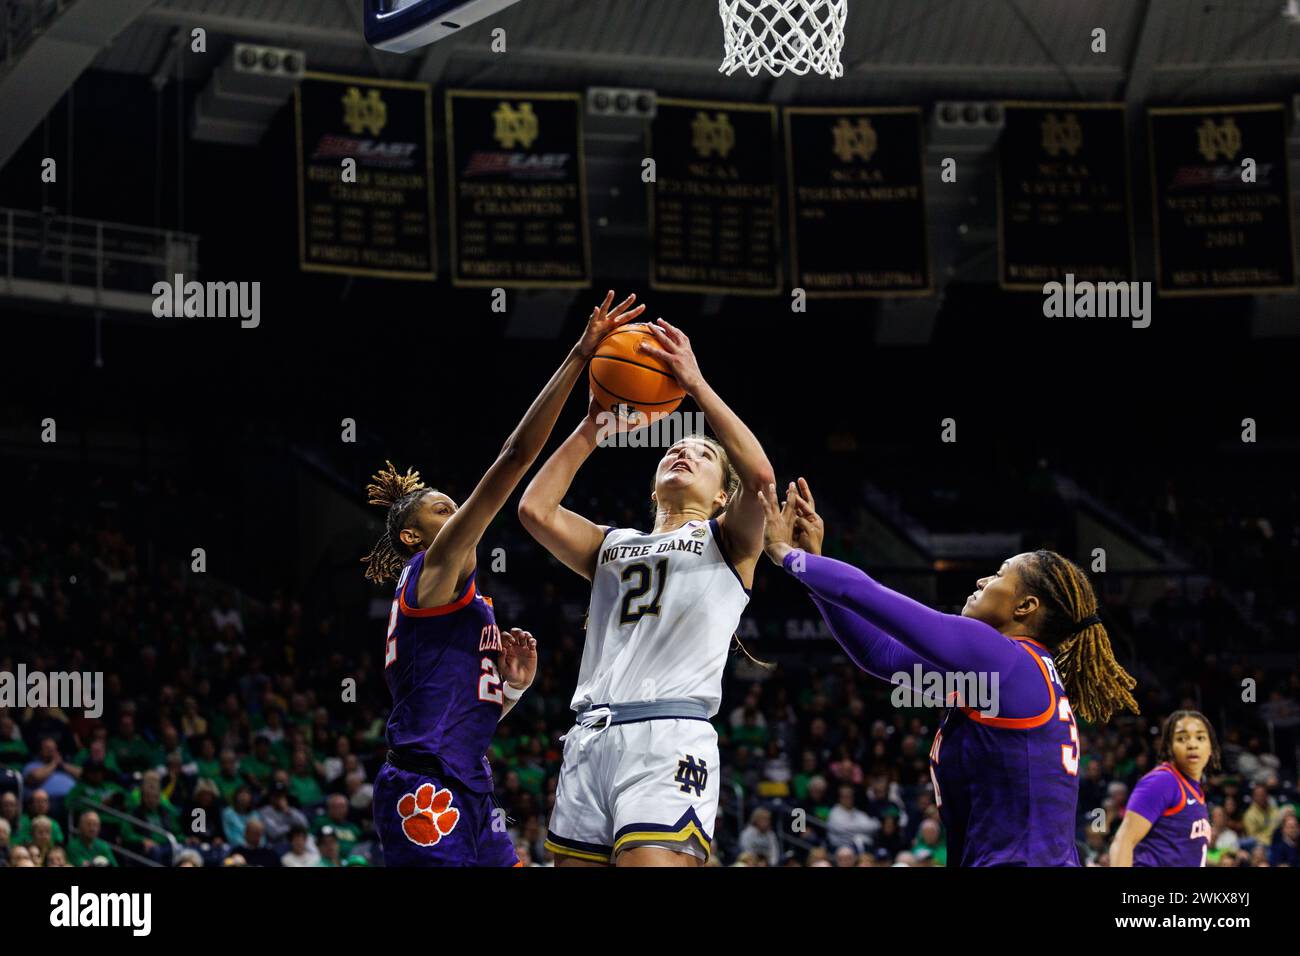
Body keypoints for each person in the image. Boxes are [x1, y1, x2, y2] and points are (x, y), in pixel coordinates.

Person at [368, 291, 645, 867]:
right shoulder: (430, 575)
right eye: (443, 511)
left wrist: (510, 690)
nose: (458, 515)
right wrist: (578, 358)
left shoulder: (460, 604)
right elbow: (516, 456)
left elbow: (457, 713)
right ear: (414, 538)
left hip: (470, 786)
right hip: (425, 788)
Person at [759, 478, 1140, 866]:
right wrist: (814, 568)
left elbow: (868, 594)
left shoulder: (1003, 659)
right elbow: (880, 653)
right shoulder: (1011, 673)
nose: (981, 581)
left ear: (1025, 606)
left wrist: (787, 556)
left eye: (998, 575)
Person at [519, 318, 774, 866]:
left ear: (723, 497)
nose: (684, 454)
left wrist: (696, 383)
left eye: (702, 456)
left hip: (669, 735)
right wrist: (591, 427)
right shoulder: (612, 544)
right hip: (589, 737)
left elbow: (760, 477)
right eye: (674, 450)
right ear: (651, 481)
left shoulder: (726, 540)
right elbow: (534, 510)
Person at [1110, 710, 1216, 866]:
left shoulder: (1195, 789)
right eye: (1182, 738)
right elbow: (1122, 842)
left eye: (1200, 738)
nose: (1192, 745)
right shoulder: (1162, 781)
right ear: (1168, 746)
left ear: (1210, 748)